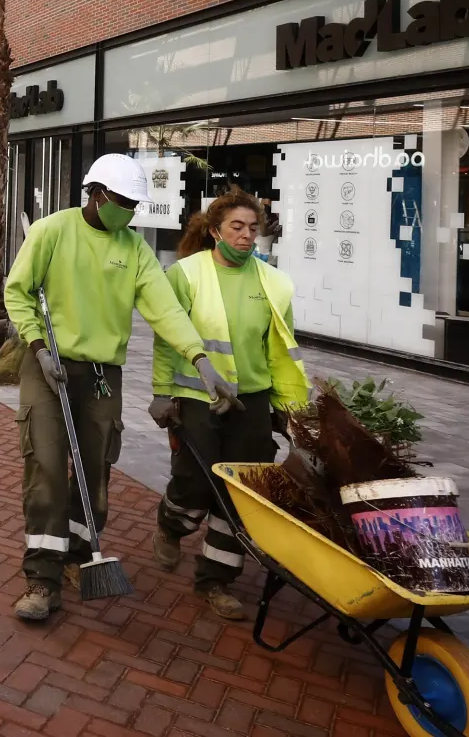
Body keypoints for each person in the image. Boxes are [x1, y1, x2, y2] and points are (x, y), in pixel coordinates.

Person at [1, 153, 235, 621]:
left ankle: (78, 557)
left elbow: (164, 309)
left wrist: (200, 358)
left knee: (95, 471)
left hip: (102, 377)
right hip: (47, 366)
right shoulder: (51, 232)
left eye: (133, 205)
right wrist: (38, 347)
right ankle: (41, 578)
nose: (128, 211)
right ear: (97, 194)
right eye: (122, 202)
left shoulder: (134, 249)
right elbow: (17, 291)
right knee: (46, 467)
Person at [151, 190, 310, 619]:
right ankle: (171, 524)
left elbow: (281, 349)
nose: (246, 236)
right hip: (197, 396)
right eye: (236, 227)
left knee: (240, 491)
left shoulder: (272, 282)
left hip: (251, 401)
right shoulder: (185, 273)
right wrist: (162, 392)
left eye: (252, 228)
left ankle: (215, 580)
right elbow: (168, 337)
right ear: (215, 230)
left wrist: (288, 408)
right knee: (195, 481)